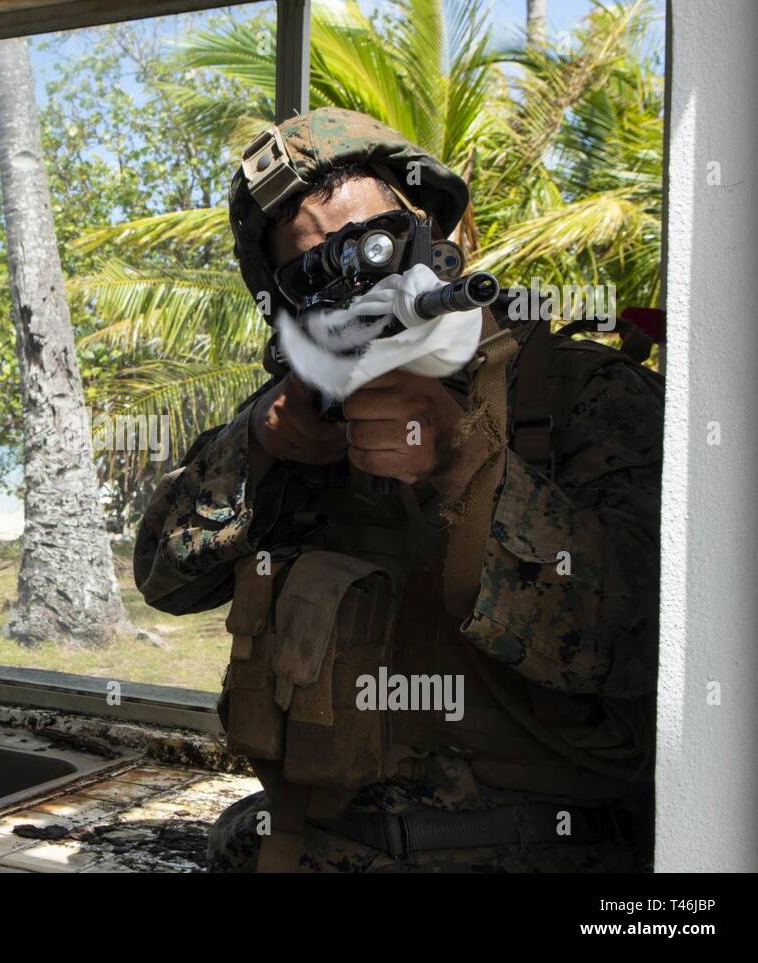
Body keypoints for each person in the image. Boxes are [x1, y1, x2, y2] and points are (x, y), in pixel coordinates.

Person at [133, 107, 663, 872]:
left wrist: (466, 466)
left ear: (440, 236)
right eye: (313, 275)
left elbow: (648, 645)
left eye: (374, 244)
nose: (355, 286)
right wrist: (256, 448)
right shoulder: (299, 418)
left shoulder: (581, 397)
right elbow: (162, 577)